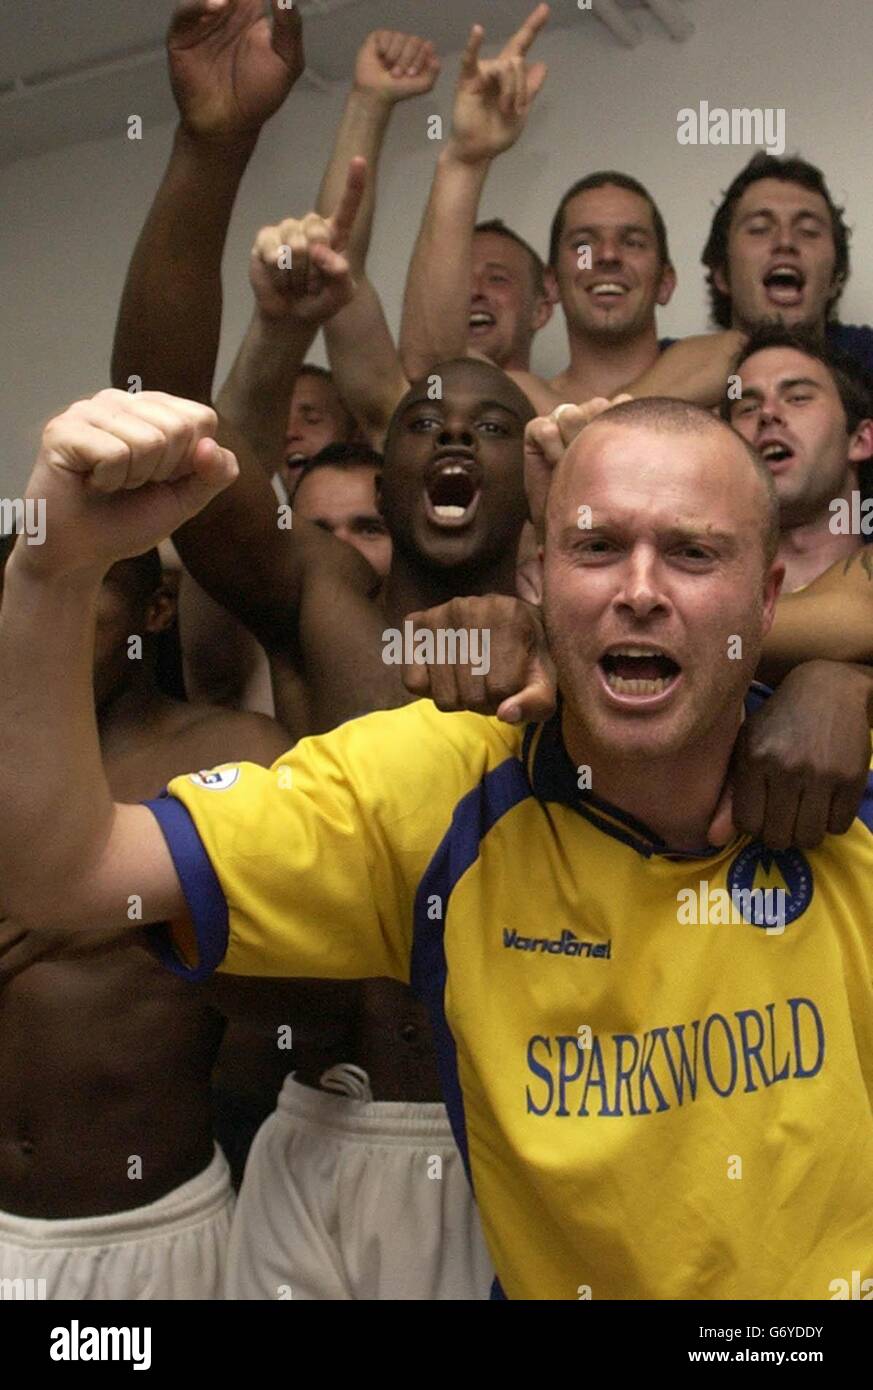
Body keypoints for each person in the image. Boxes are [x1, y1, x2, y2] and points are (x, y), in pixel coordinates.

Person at [6, 392, 873, 1302]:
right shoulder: (436, 791)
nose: (640, 590)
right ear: (536, 584)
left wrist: (846, 683)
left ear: (767, 595)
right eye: (597, 547)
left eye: (692, 552)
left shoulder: (844, 792)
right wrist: (50, 572)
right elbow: (66, 872)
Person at [0, 536, 290, 1299]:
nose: (43, 627)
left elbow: (316, 1003)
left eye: (81, 598)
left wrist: (134, 904)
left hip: (148, 1229)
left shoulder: (236, 753)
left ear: (156, 611)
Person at [630, 153, 873, 406]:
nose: (785, 242)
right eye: (759, 229)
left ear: (836, 277)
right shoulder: (669, 364)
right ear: (723, 274)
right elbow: (596, 430)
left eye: (809, 231)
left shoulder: (864, 359)